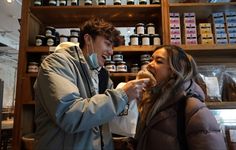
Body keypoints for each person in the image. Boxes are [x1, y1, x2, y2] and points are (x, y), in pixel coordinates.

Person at [33, 17, 149, 150]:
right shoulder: (57, 63)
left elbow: (104, 116)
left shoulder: (103, 74)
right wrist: (122, 95)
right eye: (107, 43)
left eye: (112, 47)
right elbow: (70, 115)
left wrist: (131, 101)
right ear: (88, 39)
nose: (111, 52)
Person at [134, 45, 227, 150]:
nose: (149, 64)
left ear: (174, 70)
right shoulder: (152, 101)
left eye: (159, 61)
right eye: (151, 60)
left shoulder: (192, 107)